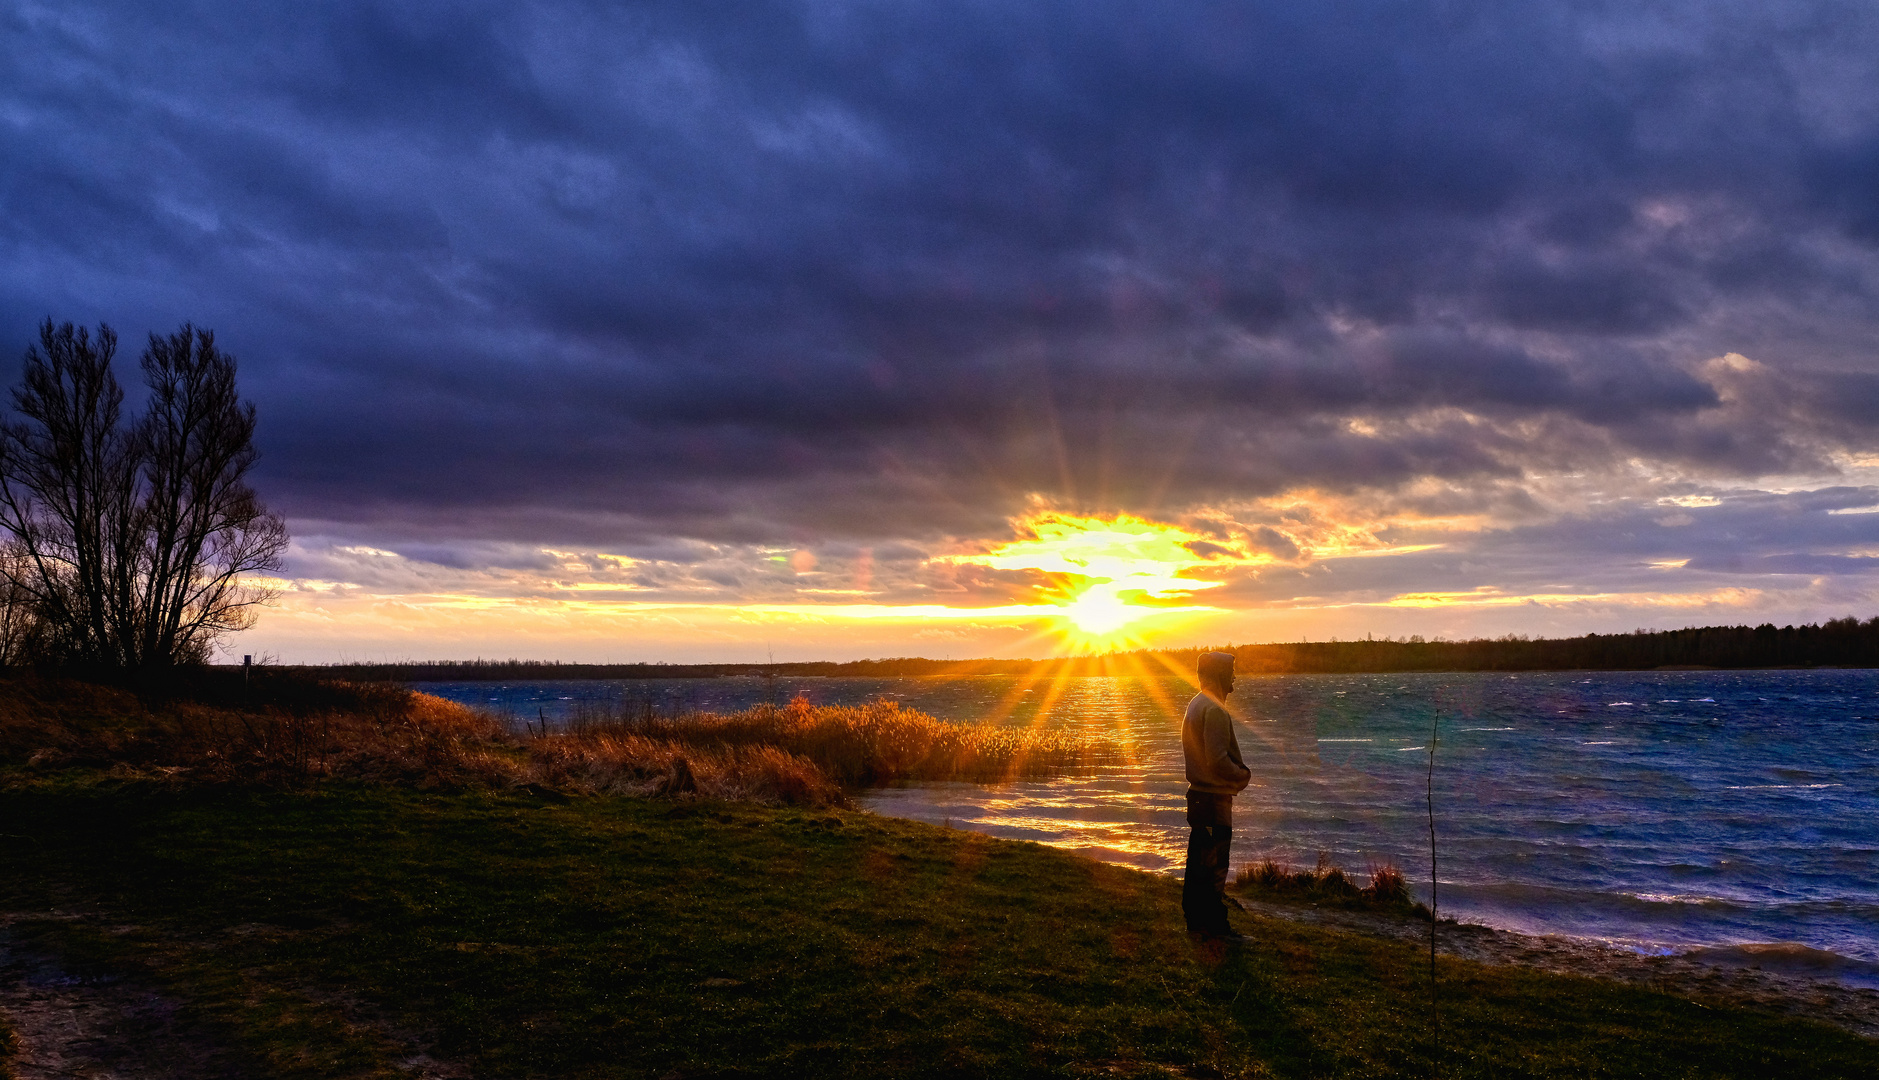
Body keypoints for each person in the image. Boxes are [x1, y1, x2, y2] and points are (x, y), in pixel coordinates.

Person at [1181, 650, 1251, 942]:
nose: (1235, 676)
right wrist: (1242, 774)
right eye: (1231, 671)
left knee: (1198, 862)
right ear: (1220, 674)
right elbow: (1218, 759)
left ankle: (1197, 921)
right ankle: (1213, 926)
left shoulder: (1197, 704)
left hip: (1199, 798)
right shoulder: (1216, 710)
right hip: (1213, 800)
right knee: (1214, 866)